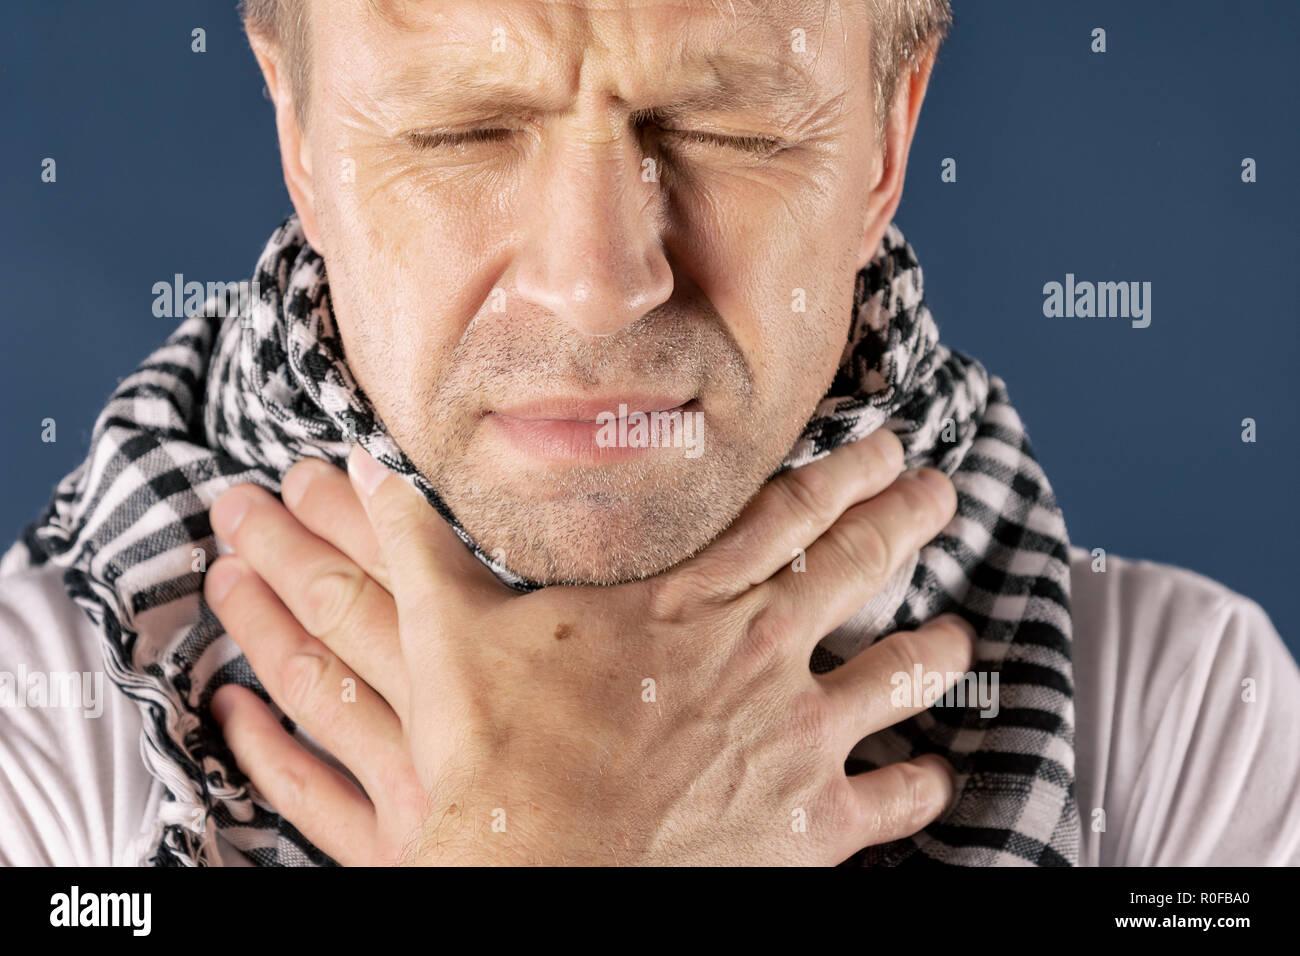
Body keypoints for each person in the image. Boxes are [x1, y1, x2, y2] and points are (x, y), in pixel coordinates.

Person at [1, 0, 1297, 867]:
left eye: (727, 125)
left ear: (888, 148)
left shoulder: (1185, 721)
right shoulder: (37, 727)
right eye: (463, 127)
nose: (599, 279)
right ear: (300, 143)